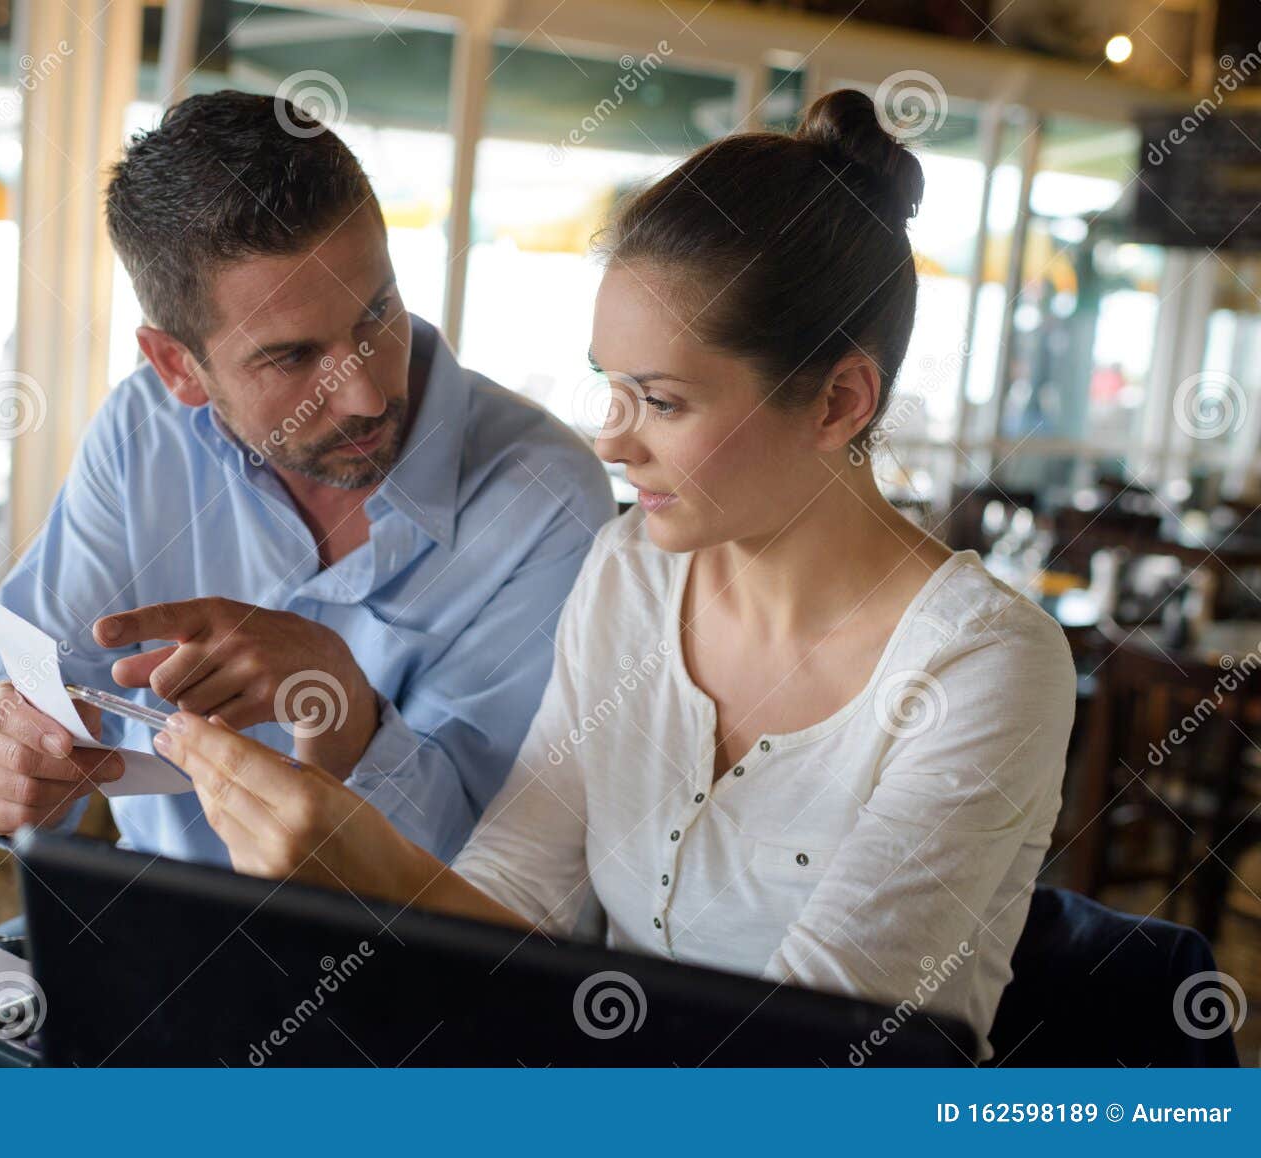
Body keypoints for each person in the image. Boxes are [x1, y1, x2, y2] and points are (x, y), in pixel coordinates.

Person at [151, 90, 1077, 1061]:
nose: (610, 441)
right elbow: (521, 895)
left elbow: (806, 1057)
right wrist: (354, 877)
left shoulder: (983, 666)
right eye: (609, 385)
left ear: (839, 401)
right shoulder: (630, 573)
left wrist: (376, 866)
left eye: (662, 402)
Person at [0, 91, 615, 865]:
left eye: (377, 315)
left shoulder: (548, 498)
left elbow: (499, 867)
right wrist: (7, 761)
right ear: (176, 365)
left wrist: (343, 707)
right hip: (157, 914)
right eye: (293, 356)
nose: (366, 396)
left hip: (396, 941)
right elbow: (7, 690)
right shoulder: (142, 435)